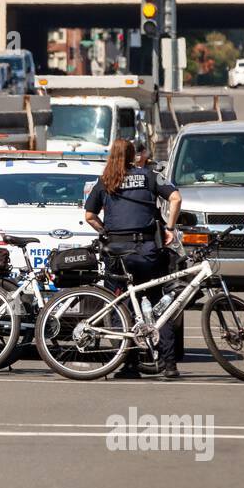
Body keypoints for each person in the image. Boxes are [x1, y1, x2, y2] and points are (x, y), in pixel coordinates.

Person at [84, 138, 184, 379]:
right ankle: (169, 364)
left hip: (117, 253)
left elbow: (89, 216)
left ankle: (129, 365)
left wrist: (105, 233)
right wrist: (169, 228)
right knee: (161, 301)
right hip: (146, 249)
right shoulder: (149, 176)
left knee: (124, 306)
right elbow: (176, 198)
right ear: (133, 156)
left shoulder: (105, 181)